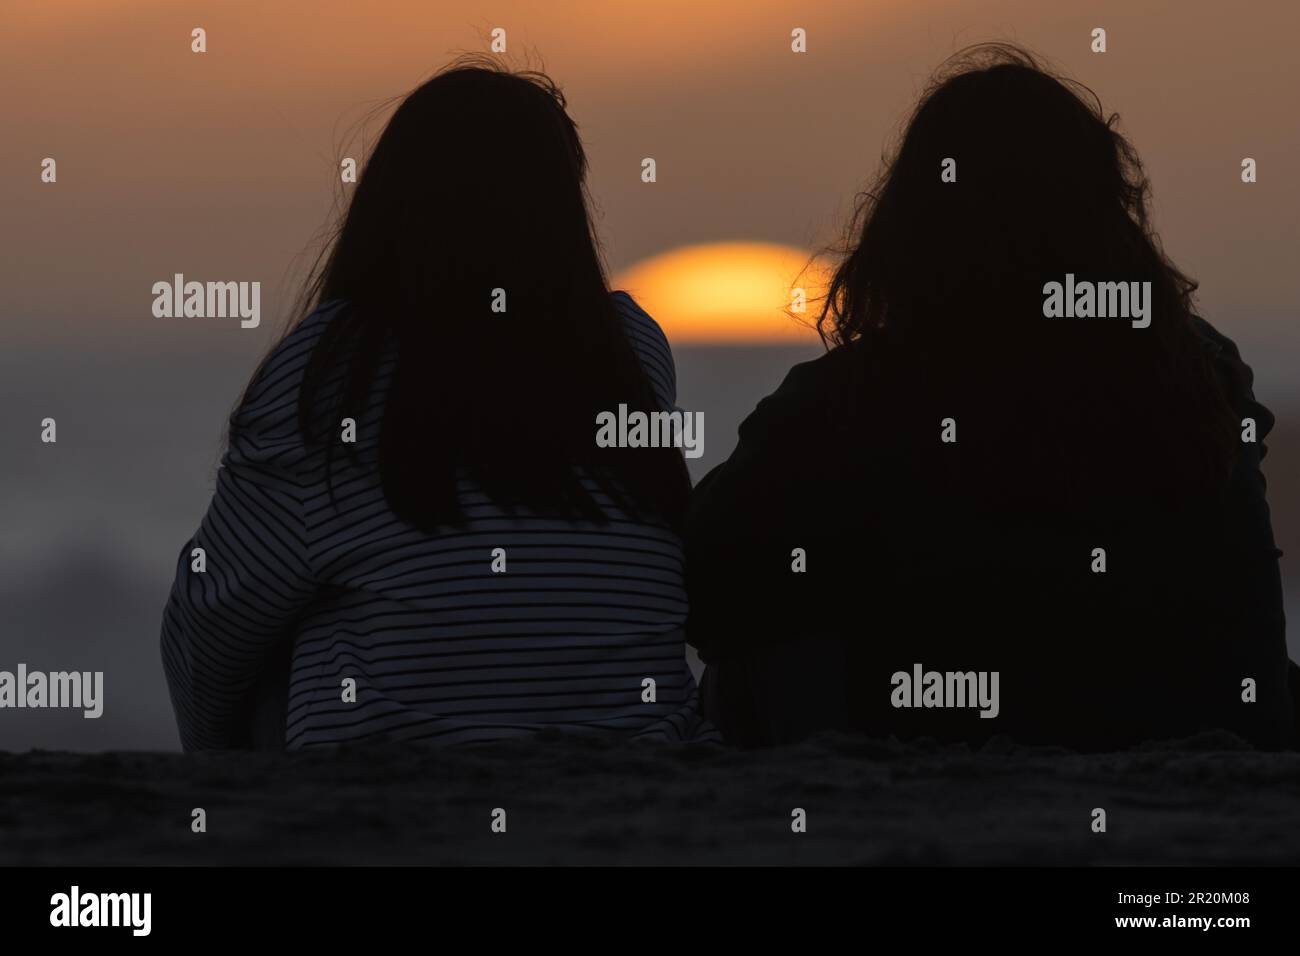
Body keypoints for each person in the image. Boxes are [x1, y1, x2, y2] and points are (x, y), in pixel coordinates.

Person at [686, 43, 1296, 751]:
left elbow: (708, 587)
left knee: (753, 659)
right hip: (1167, 722)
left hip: (926, 731)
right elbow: (1245, 601)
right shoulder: (1199, 374)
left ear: (907, 224)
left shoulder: (842, 399)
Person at [160, 57, 711, 750]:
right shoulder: (626, 347)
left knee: (277, 623)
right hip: (643, 757)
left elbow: (211, 630)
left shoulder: (330, 368)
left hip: (393, 773)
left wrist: (216, 768)